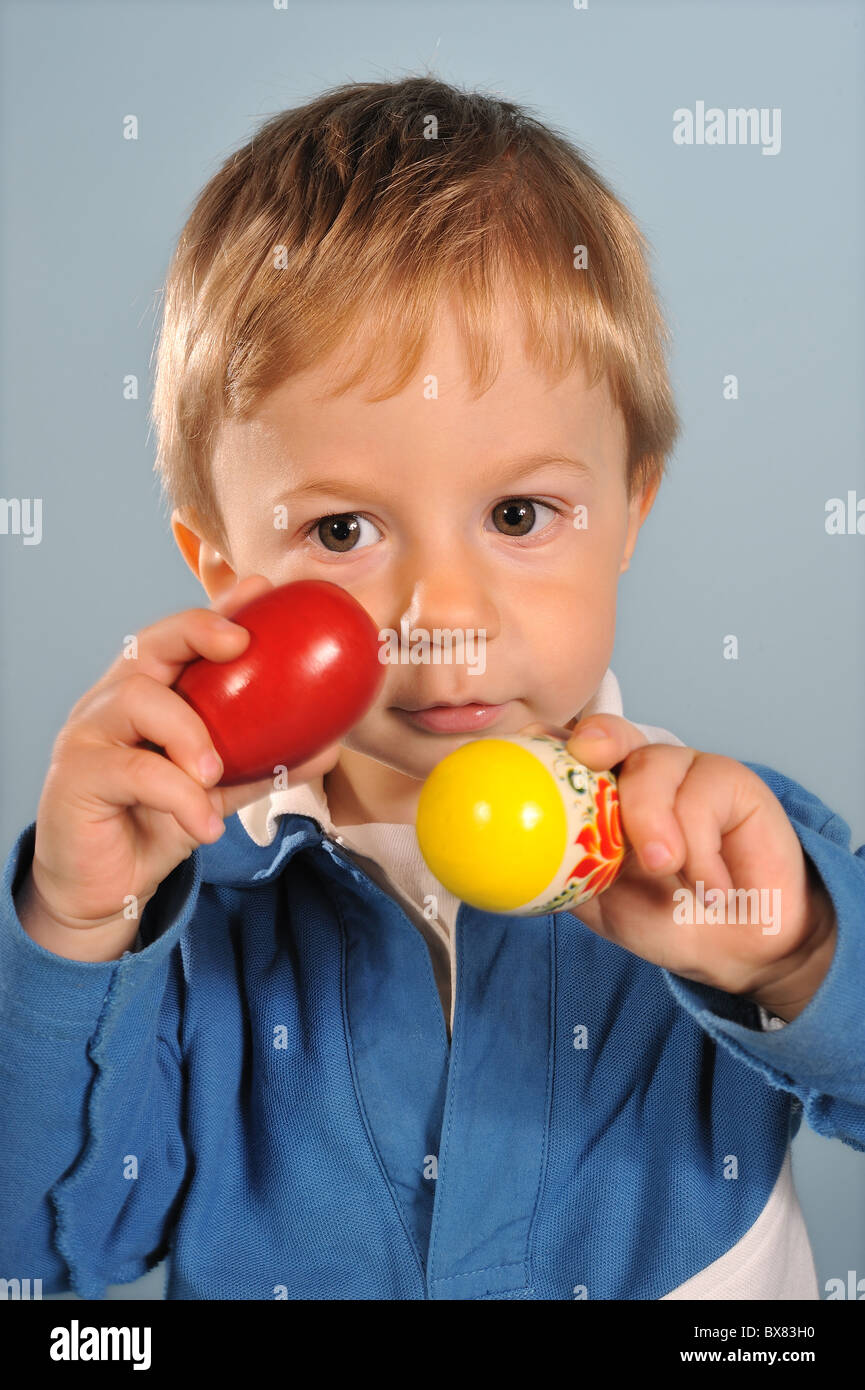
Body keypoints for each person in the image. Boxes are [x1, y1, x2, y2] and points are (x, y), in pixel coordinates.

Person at [2, 77, 863, 1301]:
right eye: (344, 529)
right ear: (224, 574)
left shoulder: (728, 854)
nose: (441, 615)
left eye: (519, 513)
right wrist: (72, 930)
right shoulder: (183, 916)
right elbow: (42, 1259)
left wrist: (795, 953)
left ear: (632, 511)